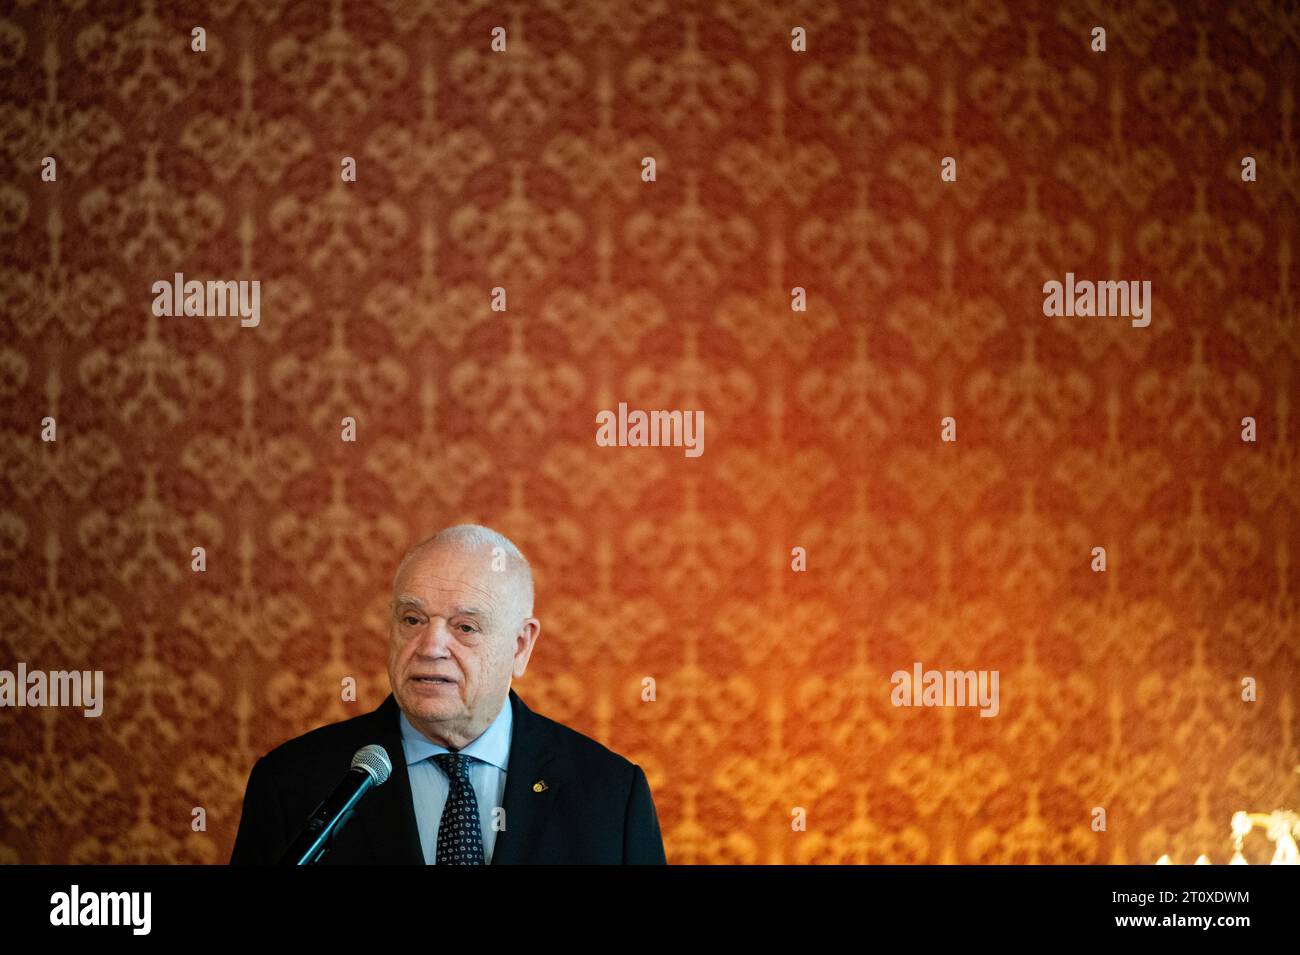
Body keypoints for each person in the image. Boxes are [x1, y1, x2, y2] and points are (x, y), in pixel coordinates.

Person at [230, 524, 666, 864]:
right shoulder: (292, 783)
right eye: (412, 620)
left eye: (465, 627)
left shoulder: (610, 795)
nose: (431, 647)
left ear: (520, 646)